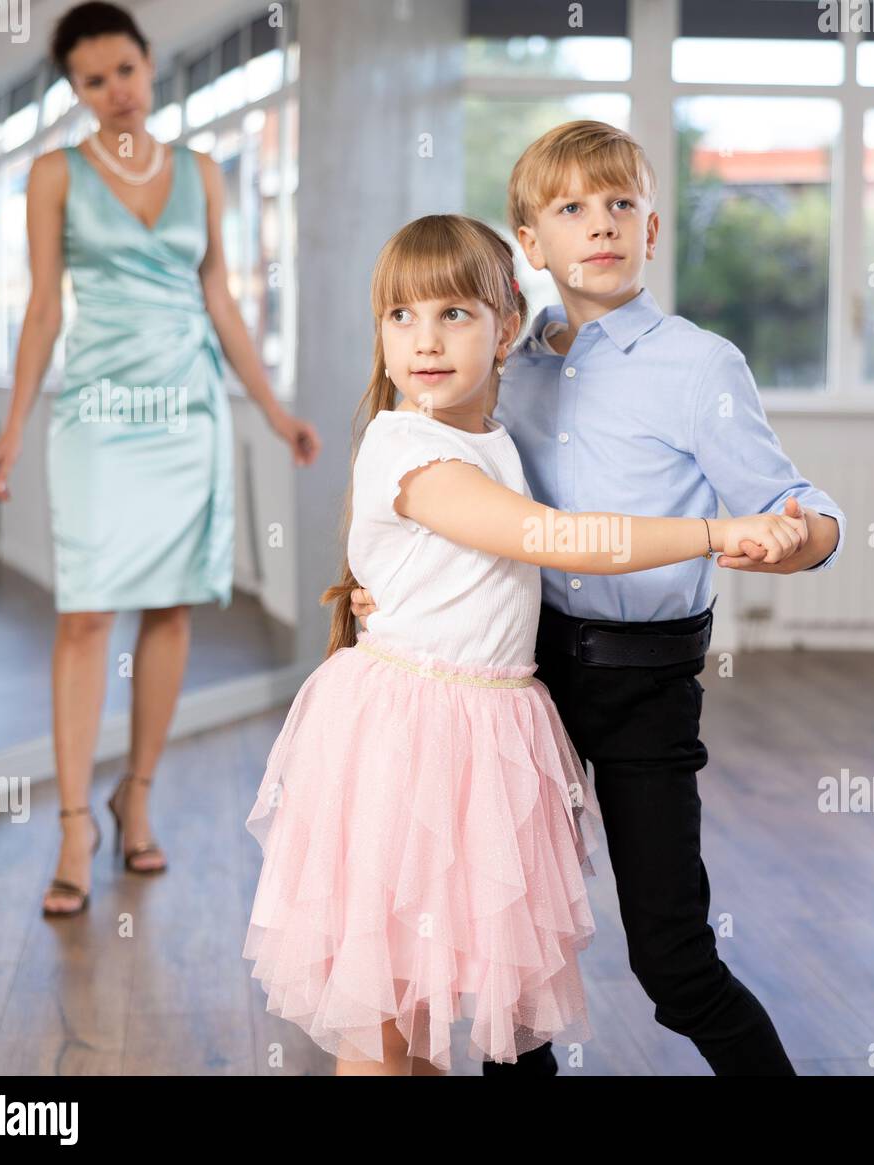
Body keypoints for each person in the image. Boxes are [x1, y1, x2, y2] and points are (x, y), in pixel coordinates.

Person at [241, 213, 806, 1076]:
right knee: (385, 1018)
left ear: (506, 327)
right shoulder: (407, 444)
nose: (425, 341)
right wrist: (713, 530)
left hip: (485, 731)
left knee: (427, 1007)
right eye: (402, 318)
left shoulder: (496, 436)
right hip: (408, 739)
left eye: (454, 315)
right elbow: (559, 540)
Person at [352, 120, 847, 1075]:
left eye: (622, 203)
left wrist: (794, 539)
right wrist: (398, 602)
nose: (602, 224)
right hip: (516, 684)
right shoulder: (505, 361)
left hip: (644, 687)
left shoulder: (702, 366)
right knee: (512, 953)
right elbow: (455, 511)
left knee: (673, 956)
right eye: (572, 208)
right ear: (531, 247)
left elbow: (798, 504)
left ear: (653, 232)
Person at [0, 2, 320, 918]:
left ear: (147, 62)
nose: (114, 92)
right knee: (86, 615)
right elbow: (43, 308)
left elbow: (222, 299)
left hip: (188, 415)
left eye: (124, 70)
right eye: (93, 81)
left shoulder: (204, 171)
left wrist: (275, 410)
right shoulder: (54, 175)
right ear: (75, 91)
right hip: (95, 414)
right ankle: (75, 824)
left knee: (170, 608)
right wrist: (11, 428)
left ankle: (139, 796)